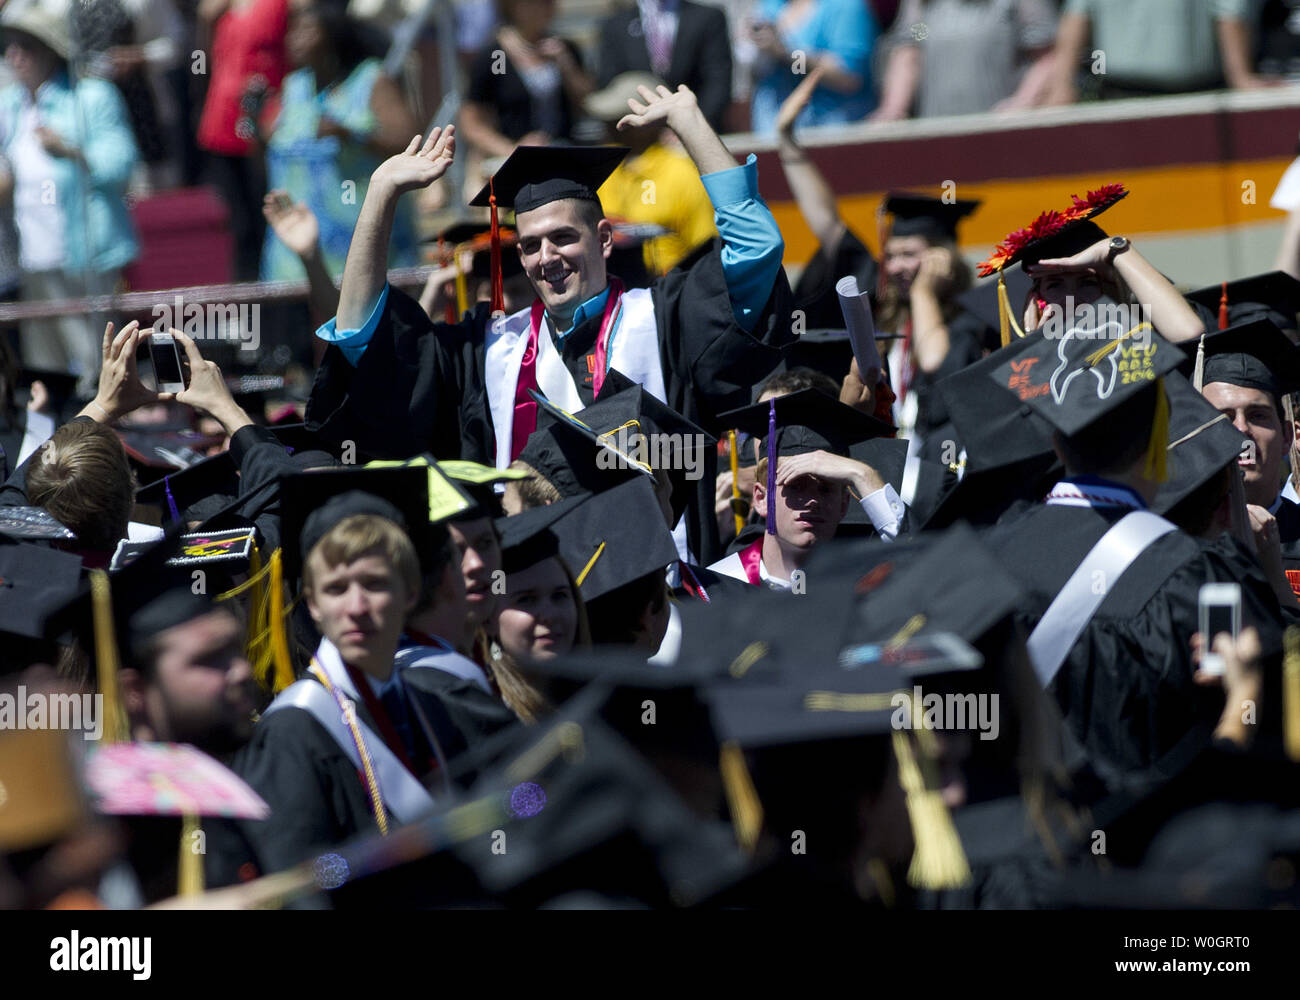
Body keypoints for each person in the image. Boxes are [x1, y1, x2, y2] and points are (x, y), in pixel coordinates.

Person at [306, 83, 794, 567]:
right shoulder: (486, 349)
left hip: (661, 599)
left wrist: (690, 123)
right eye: (532, 244)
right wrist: (381, 194)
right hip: (534, 600)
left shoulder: (667, 319)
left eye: (564, 237)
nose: (547, 257)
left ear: (604, 239)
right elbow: (360, 338)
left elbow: (755, 249)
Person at [979, 318, 1286, 793]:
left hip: (1019, 844)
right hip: (1157, 852)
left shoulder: (978, 564)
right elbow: (1260, 753)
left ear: (1058, 444)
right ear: (1158, 443)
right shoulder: (1205, 578)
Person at [0, 3, 140, 394]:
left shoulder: (92, 96)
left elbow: (120, 165)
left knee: (96, 370)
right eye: (9, 47)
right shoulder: (9, 105)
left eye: (25, 46)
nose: (14, 56)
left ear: (50, 50)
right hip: (31, 261)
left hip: (85, 256)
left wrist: (70, 150)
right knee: (47, 373)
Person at [259, 0, 420, 285]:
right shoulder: (293, 87)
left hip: (366, 258)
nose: (293, 39)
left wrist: (350, 133)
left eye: (305, 30)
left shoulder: (369, 80)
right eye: (291, 30)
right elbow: (271, 154)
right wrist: (252, 119)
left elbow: (407, 142)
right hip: (294, 259)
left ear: (332, 34)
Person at [707, 389, 899, 589]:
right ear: (761, 498)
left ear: (844, 504)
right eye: (795, 485)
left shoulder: (864, 584)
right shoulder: (719, 587)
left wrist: (863, 474)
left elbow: (919, 567)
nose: (812, 500)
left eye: (825, 488)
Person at [1193, 318, 1300, 597]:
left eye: (1257, 416)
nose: (1241, 430)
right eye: (1223, 418)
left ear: (1287, 437)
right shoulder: (1174, 538)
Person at [589, 73, 718, 276]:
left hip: (667, 291)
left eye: (617, 119)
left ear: (647, 125)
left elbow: (706, 251)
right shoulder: (602, 168)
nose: (609, 127)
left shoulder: (682, 174)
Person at [196, 0, 288, 281]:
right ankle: (251, 302)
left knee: (270, 219)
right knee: (240, 224)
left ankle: (279, 300)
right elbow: (204, 56)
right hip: (222, 120)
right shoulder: (219, 7)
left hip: (268, 123)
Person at [1045, 0, 1271, 104]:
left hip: (1194, 97)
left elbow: (1076, 17)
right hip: (1120, 97)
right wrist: (1061, 87)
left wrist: (1062, 88)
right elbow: (1230, 14)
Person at [871, 0, 1058, 120]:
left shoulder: (1020, 4)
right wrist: (892, 110)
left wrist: (1022, 103)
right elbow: (911, 50)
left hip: (1000, 136)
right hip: (938, 136)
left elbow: (1046, 58)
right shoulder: (922, 6)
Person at [459, 0, 594, 160]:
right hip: (512, 157)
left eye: (549, 2)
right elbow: (472, 121)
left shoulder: (564, 48)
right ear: (513, 6)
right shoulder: (498, 57)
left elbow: (587, 103)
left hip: (562, 150)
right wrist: (511, 149)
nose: (545, 7)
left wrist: (566, 66)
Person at [594, 0, 734, 131]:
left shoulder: (708, 18)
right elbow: (610, 82)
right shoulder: (616, 25)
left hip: (696, 129)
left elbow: (717, 81)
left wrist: (691, 128)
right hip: (639, 135)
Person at [746, 0, 879, 133]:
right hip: (768, 133)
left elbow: (849, 77)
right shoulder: (768, 6)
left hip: (829, 134)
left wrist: (787, 55)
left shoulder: (846, 6)